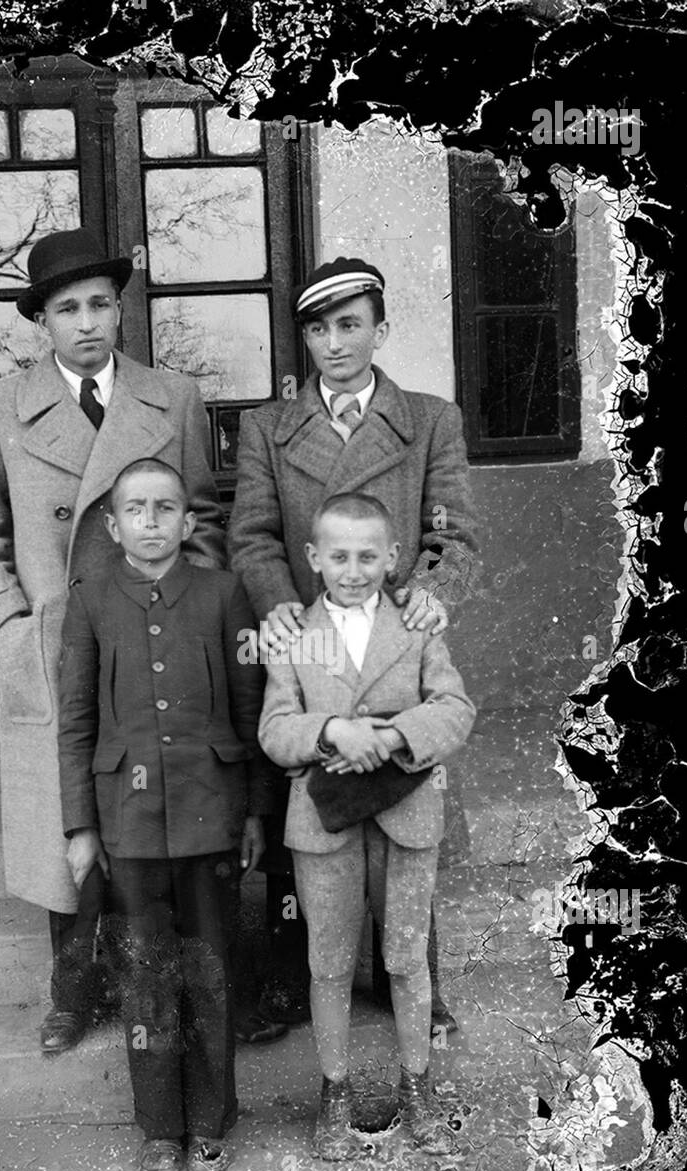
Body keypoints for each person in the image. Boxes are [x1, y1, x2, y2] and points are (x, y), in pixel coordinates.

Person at [0, 227, 226, 1056]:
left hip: (152, 638)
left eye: (100, 303)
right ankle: (71, 987)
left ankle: (181, 984)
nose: (86, 323)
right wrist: (8, 625)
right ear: (42, 322)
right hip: (58, 644)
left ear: (119, 309)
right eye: (66, 308)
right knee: (63, 814)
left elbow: (201, 519)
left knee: (150, 809)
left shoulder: (170, 396)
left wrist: (194, 622)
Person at [228, 257, 479, 1034]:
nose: (333, 344)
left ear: (379, 330)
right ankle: (287, 977)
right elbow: (254, 535)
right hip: (306, 642)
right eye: (317, 328)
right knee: (300, 801)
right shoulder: (269, 428)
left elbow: (453, 532)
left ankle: (414, 980)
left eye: (349, 324)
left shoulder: (430, 418)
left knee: (403, 800)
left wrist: (431, 592)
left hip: (393, 634)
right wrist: (278, 608)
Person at [56, 458, 269, 1171]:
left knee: (208, 971)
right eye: (136, 510)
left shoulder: (222, 594)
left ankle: (209, 1120)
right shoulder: (89, 600)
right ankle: (158, 1125)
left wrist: (254, 813)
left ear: (188, 521)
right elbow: (76, 722)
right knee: (146, 977)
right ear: (113, 527)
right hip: (129, 824)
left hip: (211, 816)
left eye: (165, 508)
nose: (151, 522)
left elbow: (249, 709)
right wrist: (81, 826)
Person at [258, 493, 476, 1159]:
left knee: (405, 958)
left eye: (366, 557)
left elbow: (455, 707)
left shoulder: (415, 626)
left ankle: (417, 1088)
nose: (352, 571)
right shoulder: (291, 634)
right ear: (313, 558)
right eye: (338, 557)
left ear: (390, 558)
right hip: (323, 822)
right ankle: (335, 1094)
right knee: (327, 962)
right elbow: (274, 728)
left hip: (405, 813)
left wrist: (395, 736)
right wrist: (331, 730)